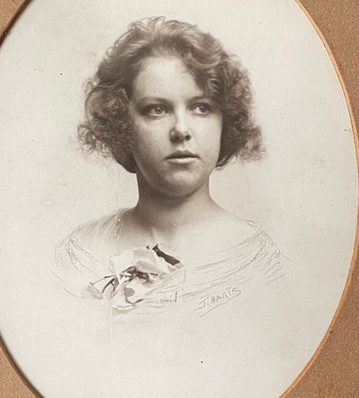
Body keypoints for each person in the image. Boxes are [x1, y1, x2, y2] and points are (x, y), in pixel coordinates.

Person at [55, 16, 285, 315]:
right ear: (121, 123)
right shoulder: (82, 254)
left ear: (224, 122)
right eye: (157, 109)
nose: (181, 130)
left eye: (201, 108)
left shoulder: (259, 263)